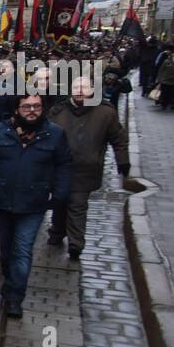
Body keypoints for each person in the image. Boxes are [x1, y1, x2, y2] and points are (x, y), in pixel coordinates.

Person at [0, 91, 71, 318]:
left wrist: (61, 194)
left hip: (33, 202)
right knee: (6, 249)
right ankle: (9, 275)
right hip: (3, 199)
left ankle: (15, 296)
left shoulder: (54, 134)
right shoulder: (0, 130)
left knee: (22, 250)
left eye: (36, 106)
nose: (32, 111)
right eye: (26, 107)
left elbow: (64, 165)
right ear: (17, 109)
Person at [47, 77, 129, 257]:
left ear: (93, 90)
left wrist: (123, 160)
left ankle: (76, 243)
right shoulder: (58, 111)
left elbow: (118, 138)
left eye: (84, 87)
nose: (80, 90)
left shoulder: (105, 112)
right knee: (60, 201)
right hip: (59, 169)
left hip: (86, 169)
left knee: (77, 205)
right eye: (76, 86)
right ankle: (57, 231)